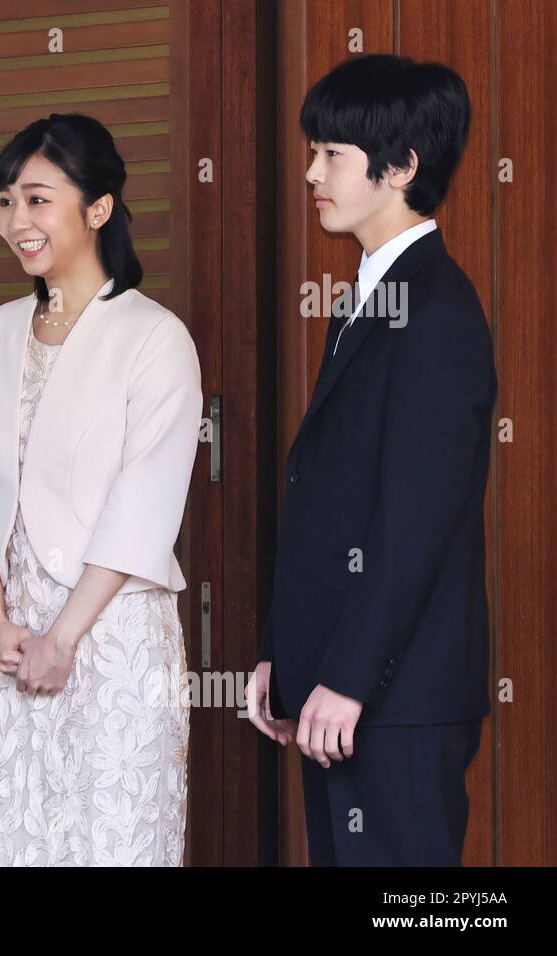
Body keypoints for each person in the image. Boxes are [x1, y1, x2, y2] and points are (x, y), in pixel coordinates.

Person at [247, 54, 496, 866]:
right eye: (312, 150)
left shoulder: (438, 310)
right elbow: (334, 502)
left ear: (401, 168)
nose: (311, 172)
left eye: (331, 154)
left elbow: (413, 523)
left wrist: (349, 677)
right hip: (347, 692)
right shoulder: (369, 298)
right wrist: (287, 654)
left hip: (398, 698)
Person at [0, 113, 203, 866]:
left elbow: (144, 504)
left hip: (111, 644)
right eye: (5, 201)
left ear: (98, 209)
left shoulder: (154, 337)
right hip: (14, 649)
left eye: (36, 199)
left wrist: (63, 639)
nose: (15, 221)